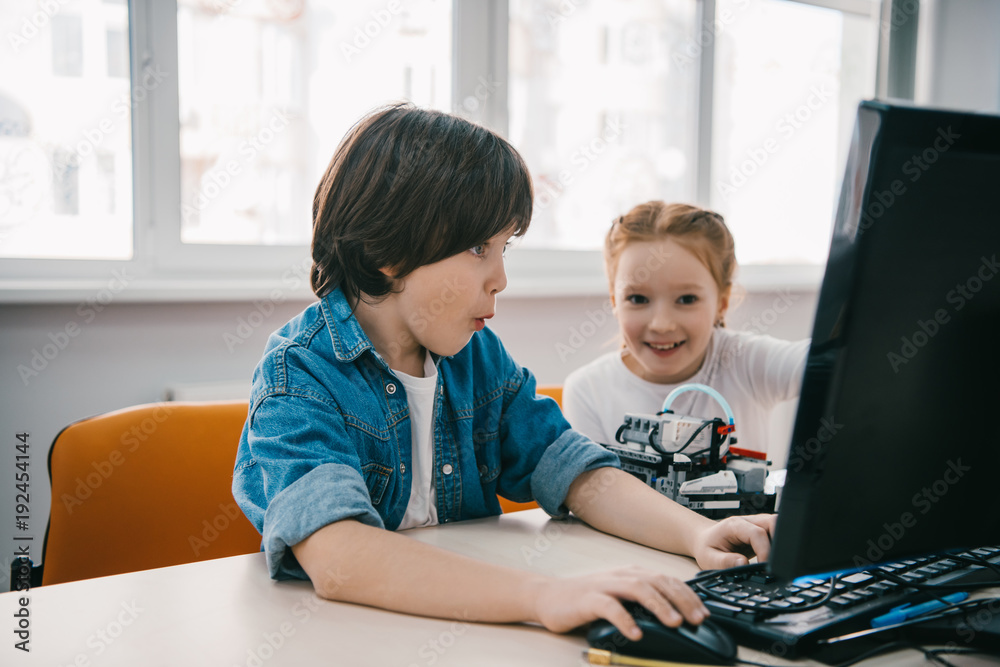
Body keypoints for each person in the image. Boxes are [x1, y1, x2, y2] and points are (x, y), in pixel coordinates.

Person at [232, 105, 776, 643]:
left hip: (469, 635)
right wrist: (544, 596)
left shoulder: (476, 355)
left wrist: (698, 533)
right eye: (479, 248)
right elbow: (339, 555)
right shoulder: (298, 376)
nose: (501, 278)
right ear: (386, 251)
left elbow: (577, 472)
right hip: (343, 641)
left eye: (504, 248)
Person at [563, 201, 809, 456]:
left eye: (687, 299)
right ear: (615, 301)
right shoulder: (587, 391)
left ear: (722, 302)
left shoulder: (747, 361)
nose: (661, 325)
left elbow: (830, 361)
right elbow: (595, 481)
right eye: (637, 299)